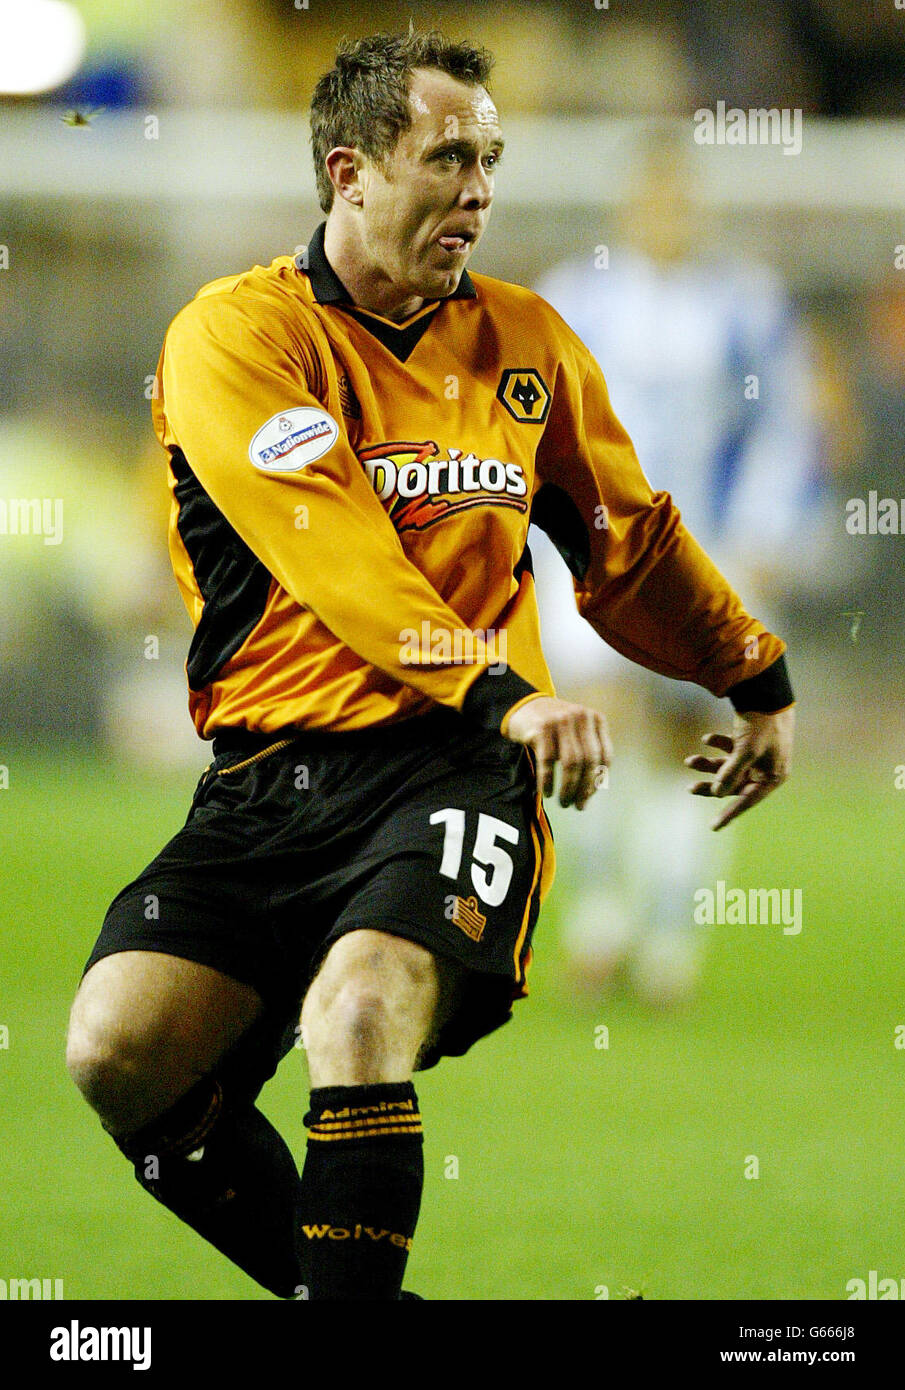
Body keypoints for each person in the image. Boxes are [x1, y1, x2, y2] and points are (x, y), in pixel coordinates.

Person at [64, 29, 795, 1302]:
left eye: (491, 159)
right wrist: (506, 686)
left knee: (356, 1015)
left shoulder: (527, 343)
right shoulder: (236, 338)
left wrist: (752, 672)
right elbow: (331, 553)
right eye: (448, 154)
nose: (479, 188)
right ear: (348, 172)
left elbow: (628, 543)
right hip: (269, 777)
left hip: (453, 770)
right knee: (117, 1050)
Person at [530, 132, 820, 1003]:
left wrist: (766, 531)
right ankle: (598, 914)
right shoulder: (568, 300)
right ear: (628, 207)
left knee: (685, 741)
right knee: (591, 722)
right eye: (652, 199)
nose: (666, 214)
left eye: (680, 199)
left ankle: (667, 934)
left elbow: (787, 427)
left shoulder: (749, 306)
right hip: (586, 548)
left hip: (707, 552)